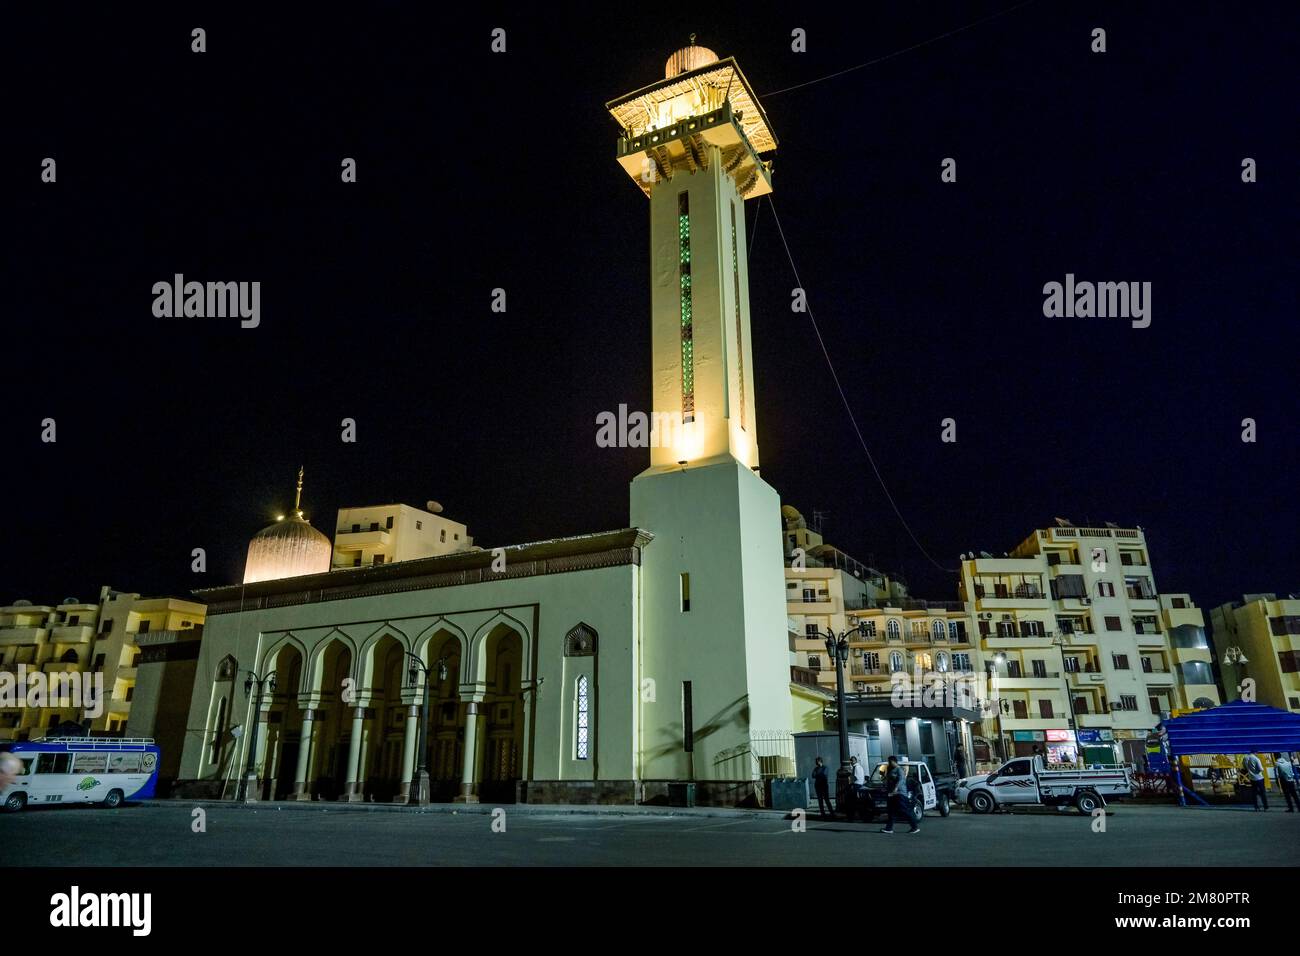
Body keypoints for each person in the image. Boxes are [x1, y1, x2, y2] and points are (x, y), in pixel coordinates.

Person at [879, 755, 920, 834]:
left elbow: (901, 780)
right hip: (892, 794)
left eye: (890, 762)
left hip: (899, 793)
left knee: (904, 810)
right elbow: (888, 780)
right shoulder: (891, 770)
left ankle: (914, 827)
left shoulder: (899, 769)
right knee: (891, 811)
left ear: (894, 761)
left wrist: (896, 789)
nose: (889, 763)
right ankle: (889, 828)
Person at [848, 755, 866, 819]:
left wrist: (851, 783)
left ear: (855, 761)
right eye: (851, 761)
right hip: (860, 784)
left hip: (856, 785)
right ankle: (860, 814)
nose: (851, 762)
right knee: (858, 800)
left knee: (854, 801)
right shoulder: (860, 767)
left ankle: (855, 815)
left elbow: (855, 777)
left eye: (852, 761)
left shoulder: (856, 767)